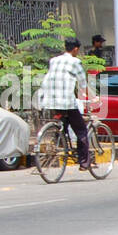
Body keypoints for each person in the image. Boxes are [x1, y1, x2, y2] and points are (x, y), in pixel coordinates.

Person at [37, 37, 91, 171]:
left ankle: (60, 137)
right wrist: (91, 97)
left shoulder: (54, 60)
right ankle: (84, 162)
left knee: (64, 121)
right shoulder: (75, 62)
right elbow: (83, 84)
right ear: (76, 49)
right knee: (82, 130)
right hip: (66, 101)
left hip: (50, 100)